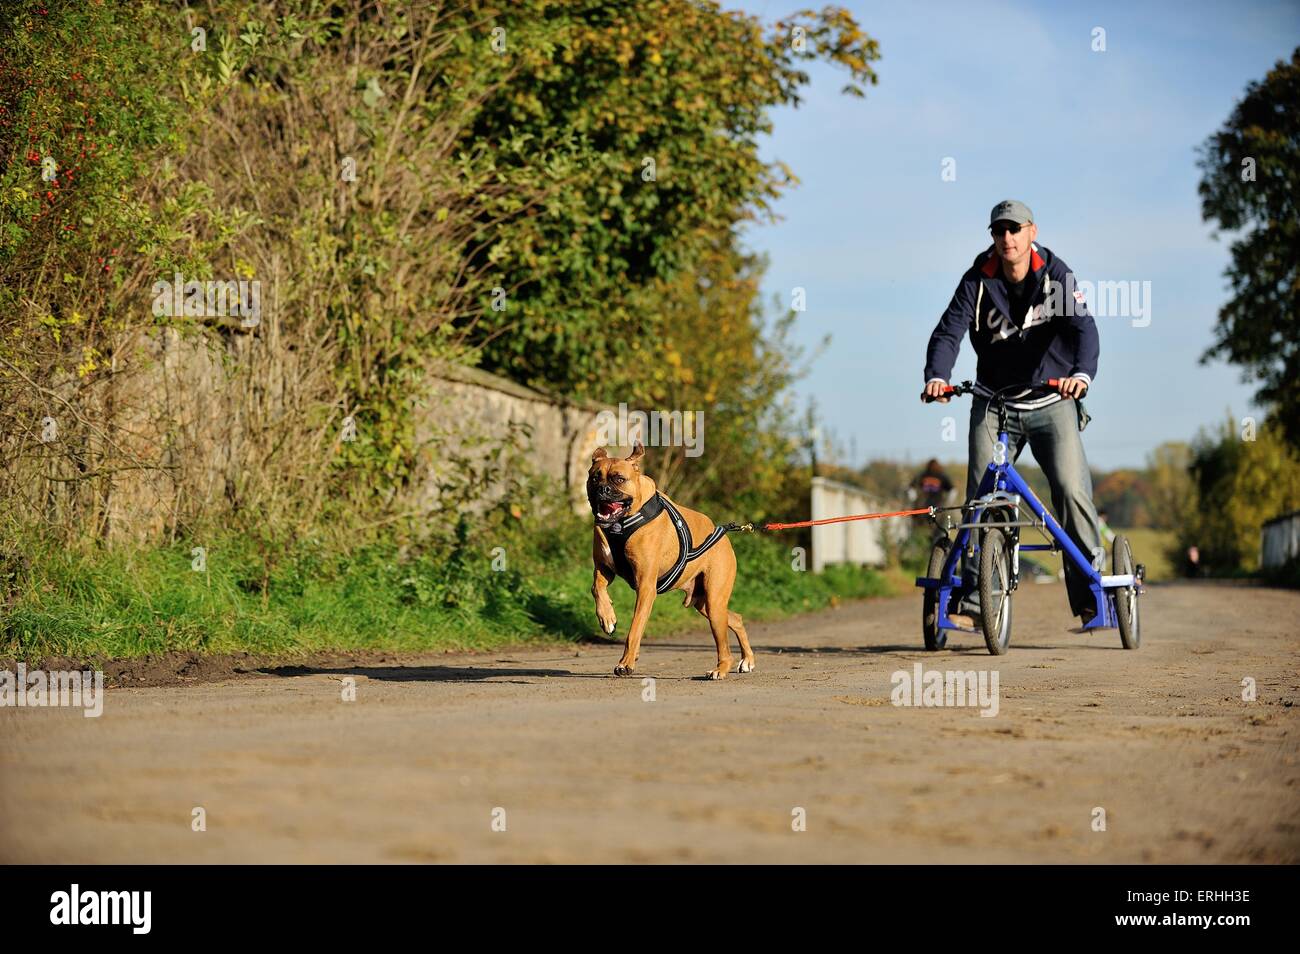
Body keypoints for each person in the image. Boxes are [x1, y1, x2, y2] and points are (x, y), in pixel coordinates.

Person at [920, 199, 1104, 626]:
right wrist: (937, 376)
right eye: (999, 232)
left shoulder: (1056, 275)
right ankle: (972, 600)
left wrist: (1081, 375)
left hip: (1050, 401)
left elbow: (1084, 329)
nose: (1007, 239)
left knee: (1071, 492)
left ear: (1031, 233)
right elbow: (949, 330)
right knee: (980, 501)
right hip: (993, 402)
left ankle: (1091, 595)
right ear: (993, 238)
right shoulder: (978, 279)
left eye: (1015, 230)